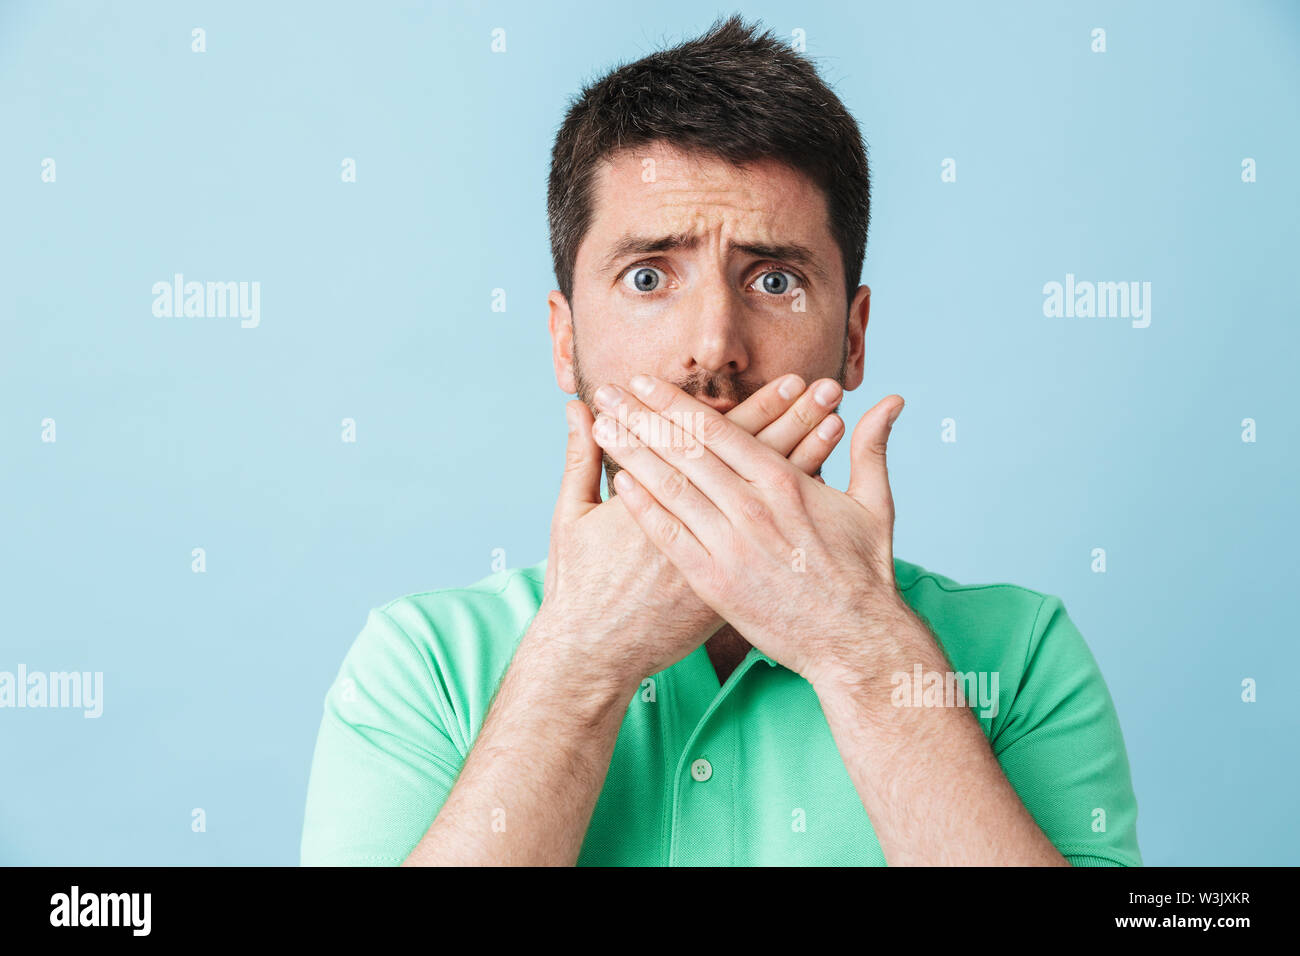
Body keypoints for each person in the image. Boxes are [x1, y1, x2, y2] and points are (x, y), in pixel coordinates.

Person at [300, 14, 1141, 866]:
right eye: (648, 276)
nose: (713, 346)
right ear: (566, 341)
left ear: (853, 340)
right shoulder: (423, 665)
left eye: (774, 280)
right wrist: (580, 663)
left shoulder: (1019, 653)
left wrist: (858, 644)